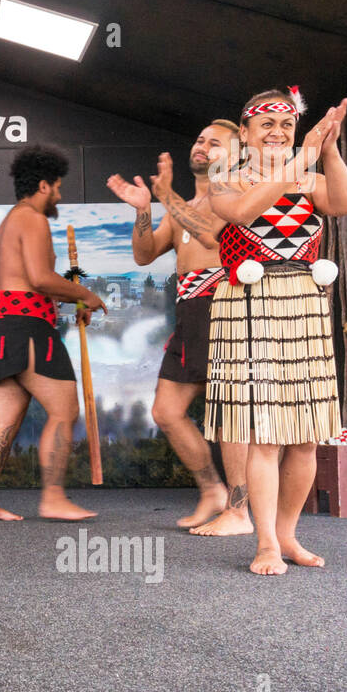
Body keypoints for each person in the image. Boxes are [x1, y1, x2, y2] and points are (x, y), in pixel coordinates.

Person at [204, 89, 347, 575]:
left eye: (287, 125)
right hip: (248, 305)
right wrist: (305, 155)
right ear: (244, 133)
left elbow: (346, 202)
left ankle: (287, 535)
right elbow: (245, 212)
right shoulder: (224, 178)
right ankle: (265, 541)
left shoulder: (310, 178)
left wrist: (327, 147)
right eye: (266, 124)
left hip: (304, 304)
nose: (277, 132)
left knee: (306, 435)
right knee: (265, 435)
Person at [106, 121, 251, 535]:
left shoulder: (237, 192)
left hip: (224, 307)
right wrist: (143, 210)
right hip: (189, 312)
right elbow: (144, 255)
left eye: (216, 143)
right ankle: (213, 491)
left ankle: (239, 512)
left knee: (228, 417)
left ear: (238, 154)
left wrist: (166, 198)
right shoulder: (181, 207)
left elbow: (210, 238)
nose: (203, 146)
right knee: (166, 411)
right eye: (200, 139)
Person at [0, 145, 107, 522]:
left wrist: (70, 301)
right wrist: (85, 295)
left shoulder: (10, 220)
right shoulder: (31, 217)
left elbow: (25, 284)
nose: (59, 196)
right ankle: (54, 498)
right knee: (64, 410)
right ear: (43, 185)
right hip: (26, 330)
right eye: (58, 188)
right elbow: (39, 279)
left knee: (4, 420)